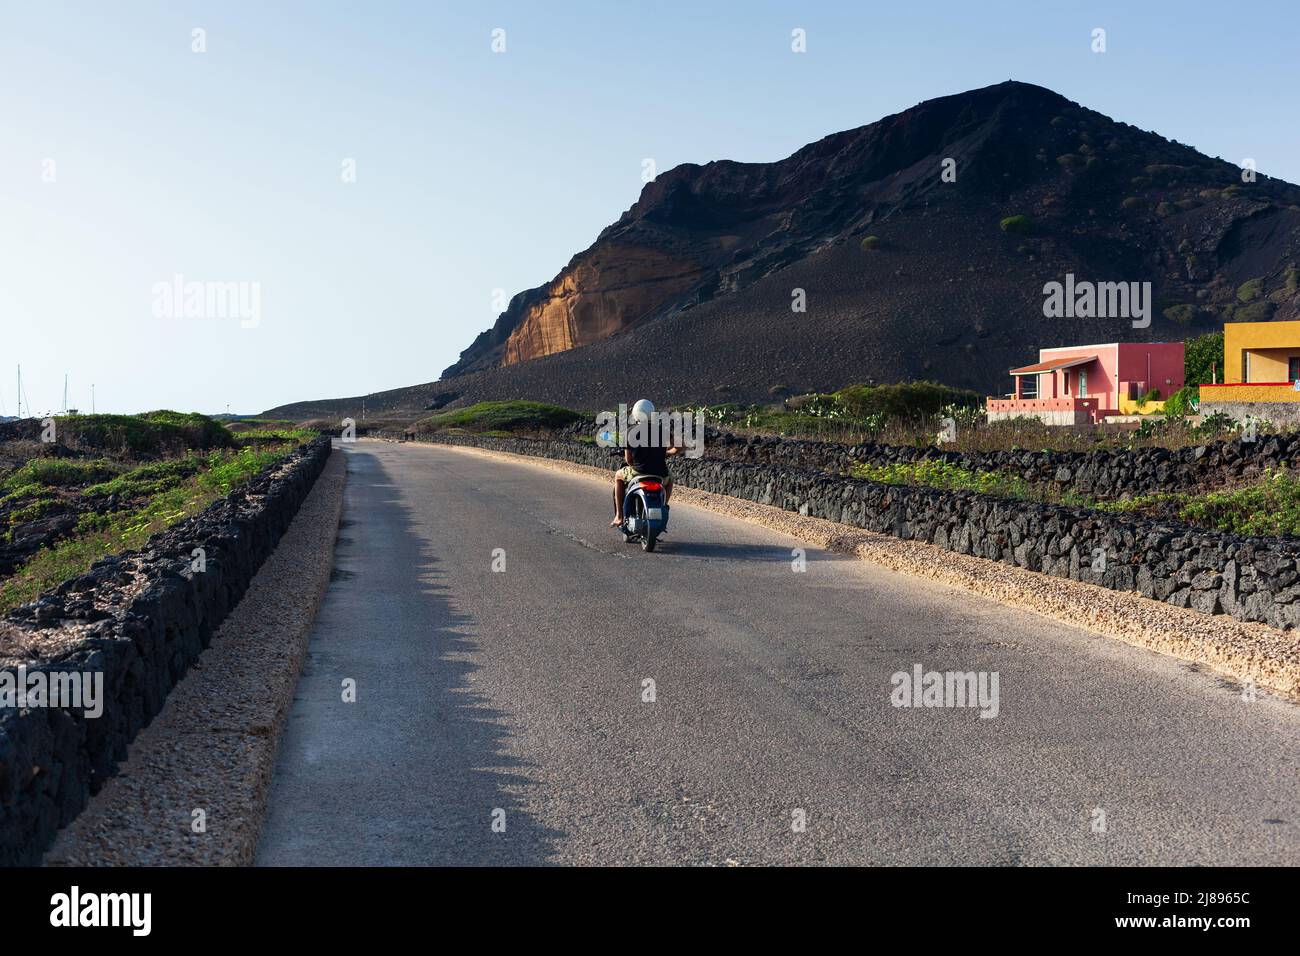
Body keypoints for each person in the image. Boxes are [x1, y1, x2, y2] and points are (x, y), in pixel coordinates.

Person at [611, 399, 679, 527]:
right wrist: (668, 453)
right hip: (660, 474)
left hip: (639, 473)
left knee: (618, 476)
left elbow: (629, 460)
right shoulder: (662, 431)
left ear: (636, 414)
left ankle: (619, 516)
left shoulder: (630, 431)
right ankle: (663, 507)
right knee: (670, 480)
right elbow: (680, 446)